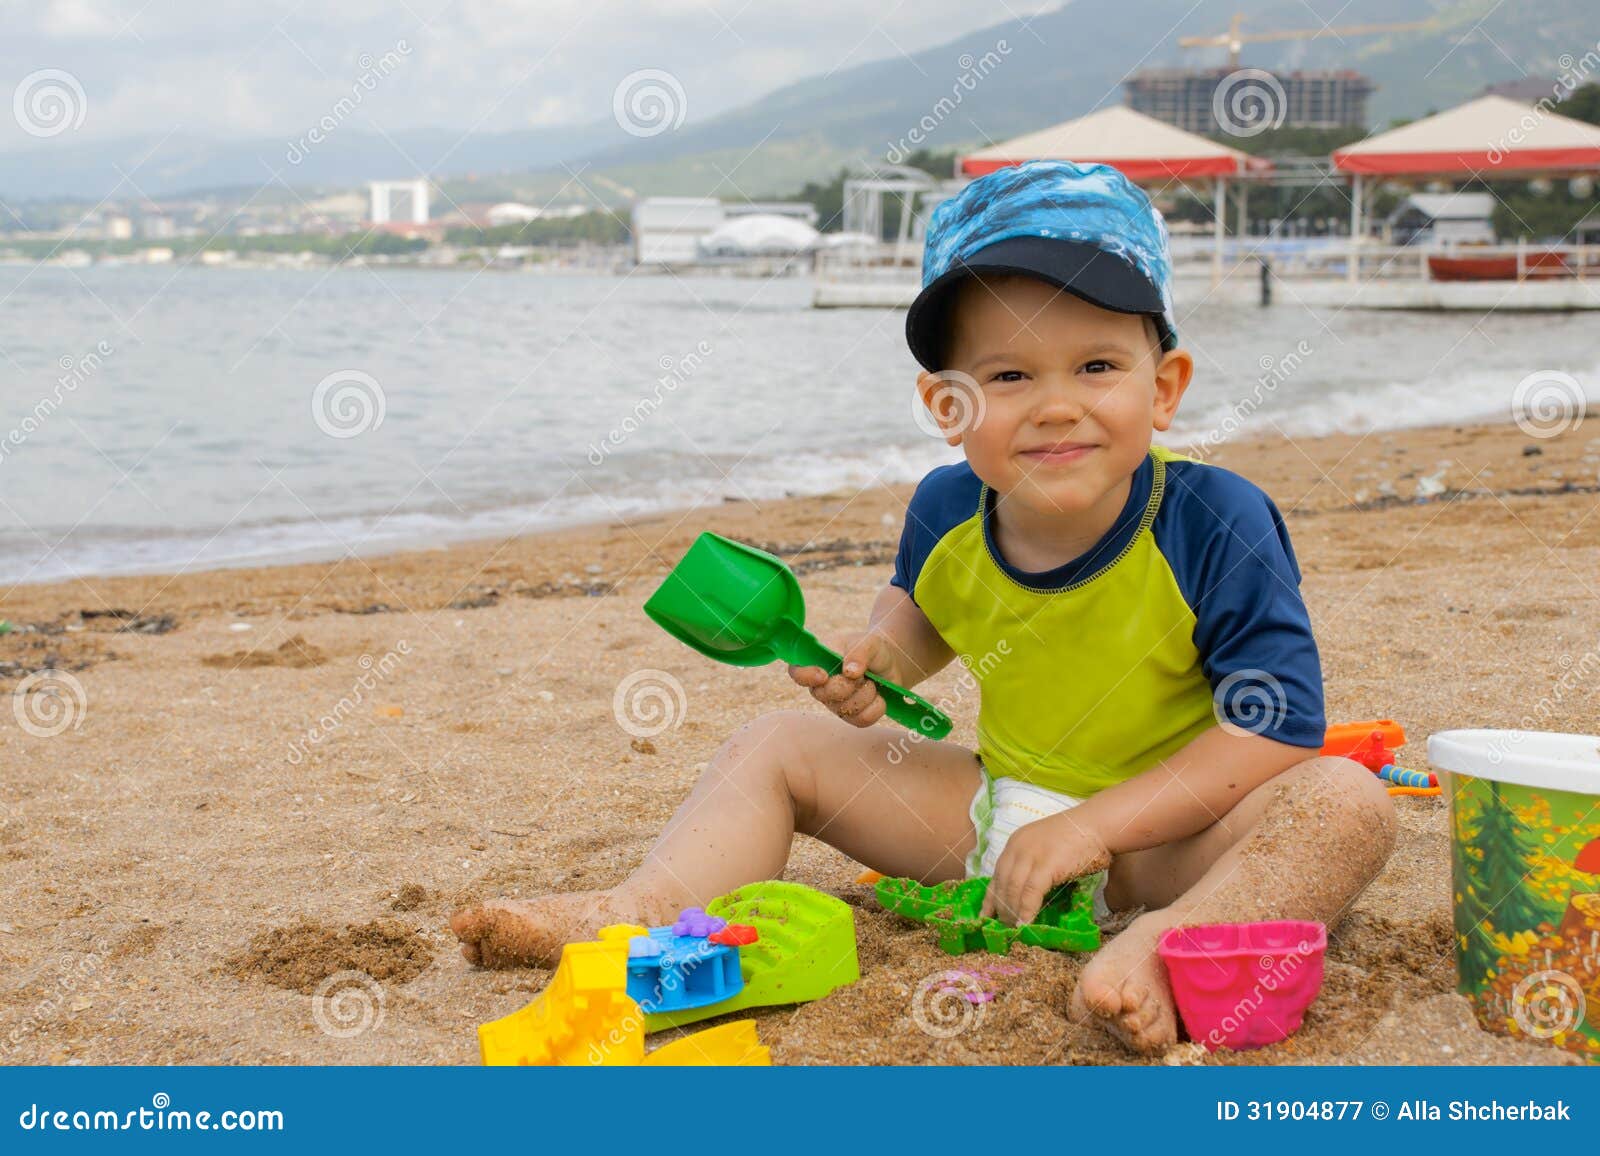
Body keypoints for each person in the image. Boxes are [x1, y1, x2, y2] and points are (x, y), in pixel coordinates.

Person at [451, 161, 1395, 1054]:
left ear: (1166, 388)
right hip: (997, 819)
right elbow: (918, 621)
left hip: (1169, 842)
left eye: (1097, 366)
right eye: (1010, 376)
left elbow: (1274, 729)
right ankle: (643, 907)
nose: (1056, 406)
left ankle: (1169, 943)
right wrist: (875, 668)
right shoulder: (949, 507)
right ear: (946, 406)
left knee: (1345, 803)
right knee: (775, 747)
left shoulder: (1212, 521)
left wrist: (1095, 828)